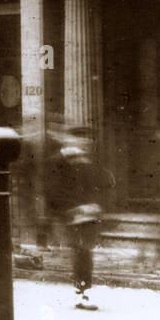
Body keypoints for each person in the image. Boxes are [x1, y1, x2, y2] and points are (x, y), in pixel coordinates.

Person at [48, 131, 110, 310]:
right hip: (71, 215)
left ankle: (83, 291)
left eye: (86, 141)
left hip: (88, 214)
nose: (84, 143)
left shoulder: (87, 162)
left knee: (85, 252)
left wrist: (95, 205)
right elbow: (53, 191)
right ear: (70, 140)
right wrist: (73, 209)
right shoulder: (57, 161)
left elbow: (101, 184)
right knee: (81, 252)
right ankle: (82, 293)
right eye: (80, 140)